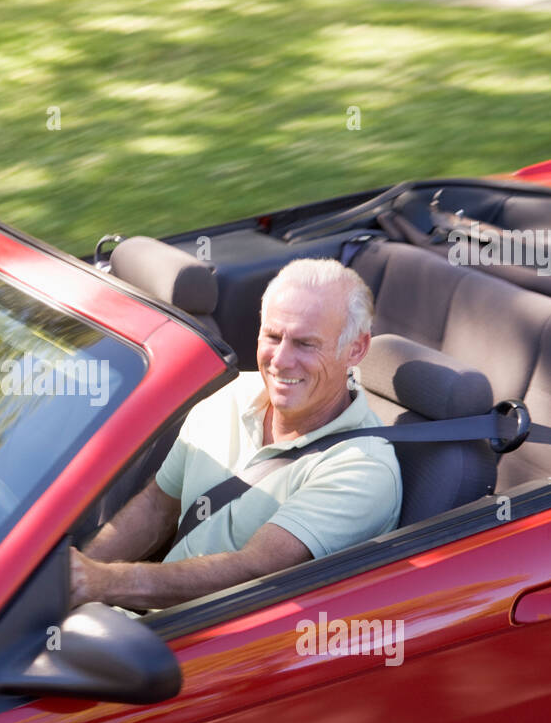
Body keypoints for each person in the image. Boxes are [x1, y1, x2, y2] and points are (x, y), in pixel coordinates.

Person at [70, 257, 402, 610]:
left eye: (306, 344)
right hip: (147, 624)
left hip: (223, 651)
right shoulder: (230, 395)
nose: (280, 360)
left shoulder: (363, 469)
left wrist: (103, 581)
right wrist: (72, 581)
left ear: (356, 349)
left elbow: (253, 570)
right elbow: (157, 506)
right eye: (273, 336)